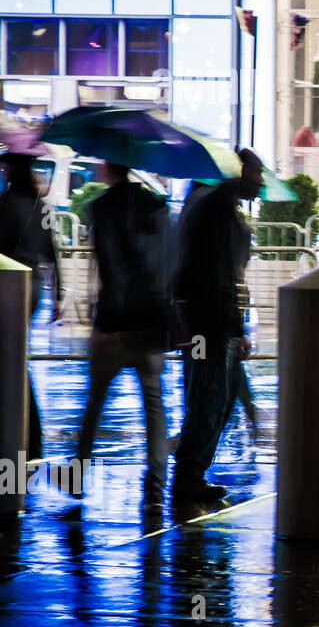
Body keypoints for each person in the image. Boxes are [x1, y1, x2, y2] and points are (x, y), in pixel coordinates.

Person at [55, 162, 170, 510]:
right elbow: (166, 265)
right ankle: (154, 489)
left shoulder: (102, 208)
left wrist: (105, 325)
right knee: (154, 406)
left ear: (108, 165)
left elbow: (112, 268)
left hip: (115, 323)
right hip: (152, 323)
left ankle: (76, 476)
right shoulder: (158, 207)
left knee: (95, 402)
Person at [172, 148, 263, 504]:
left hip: (203, 320)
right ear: (239, 173)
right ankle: (188, 475)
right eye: (255, 174)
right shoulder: (219, 209)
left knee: (215, 398)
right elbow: (220, 275)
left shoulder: (209, 204)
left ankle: (191, 471)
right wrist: (236, 328)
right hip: (209, 322)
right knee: (210, 399)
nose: (259, 182)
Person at [0, 151, 63, 459]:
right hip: (33, 285)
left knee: (11, 362)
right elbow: (52, 252)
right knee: (15, 358)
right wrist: (59, 296)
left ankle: (27, 435)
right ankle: (33, 437)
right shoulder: (42, 206)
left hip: (7, 284)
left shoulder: (5, 203)